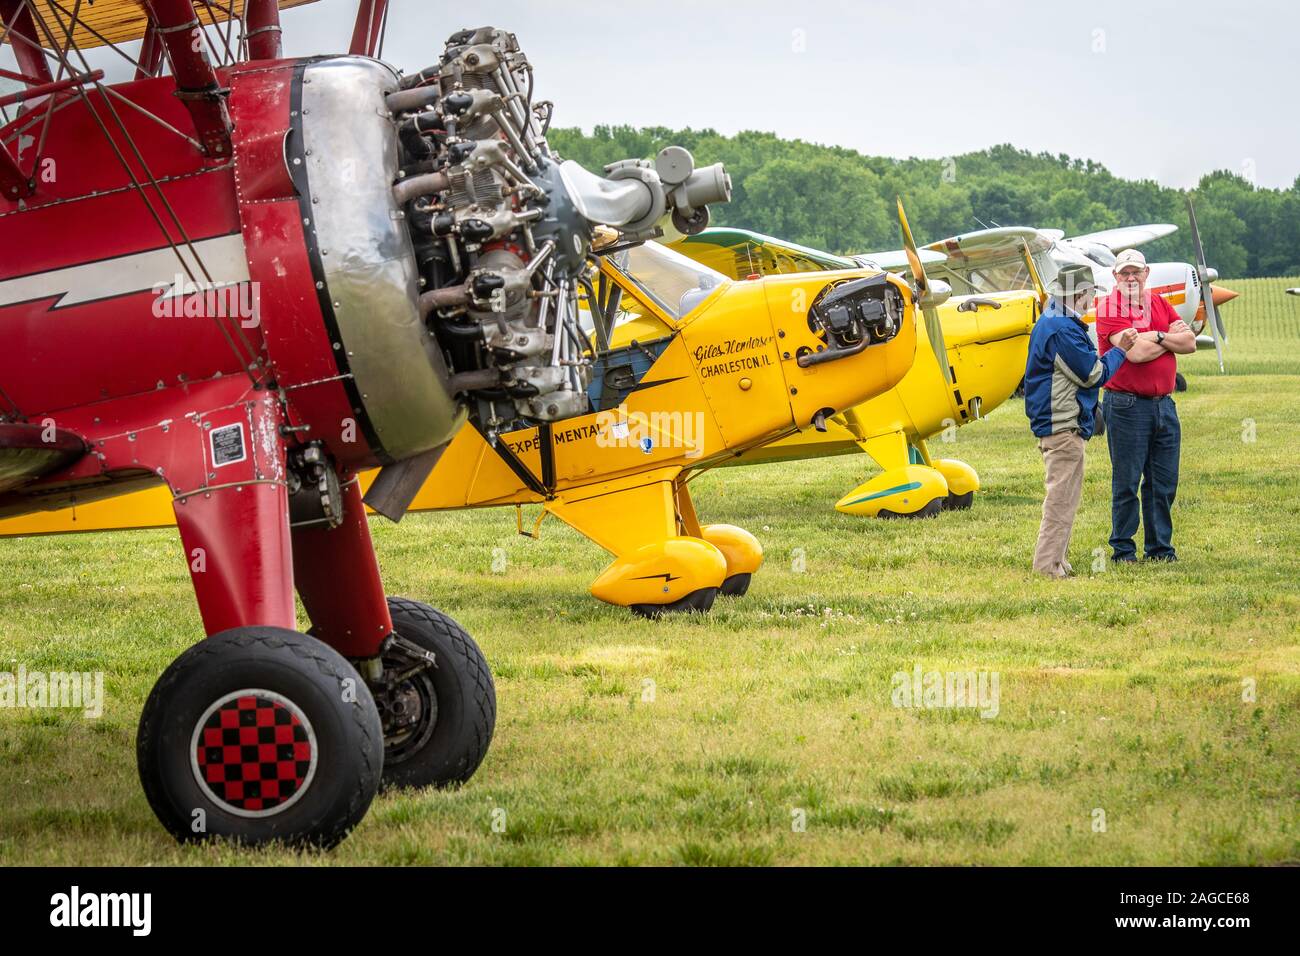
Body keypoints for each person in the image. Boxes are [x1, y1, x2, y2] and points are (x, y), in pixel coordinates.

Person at [1024, 264, 1136, 578]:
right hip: (1063, 426)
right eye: (1089, 295)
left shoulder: (1054, 321)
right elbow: (1092, 374)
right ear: (1079, 294)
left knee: (1067, 498)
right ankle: (1047, 567)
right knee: (1060, 500)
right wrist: (1120, 350)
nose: (1091, 301)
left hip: (1060, 425)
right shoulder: (1062, 328)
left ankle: (1058, 560)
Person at [1095, 248, 1197, 563]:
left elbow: (1190, 342)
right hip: (1126, 405)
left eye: (1135, 272)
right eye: (1124, 272)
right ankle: (1123, 551)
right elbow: (1134, 354)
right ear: (1115, 276)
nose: (1129, 277)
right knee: (1127, 481)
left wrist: (1153, 335)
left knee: (1163, 481)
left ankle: (1160, 549)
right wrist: (1167, 340)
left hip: (1164, 405)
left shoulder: (1158, 303)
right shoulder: (1109, 307)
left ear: (1146, 273)